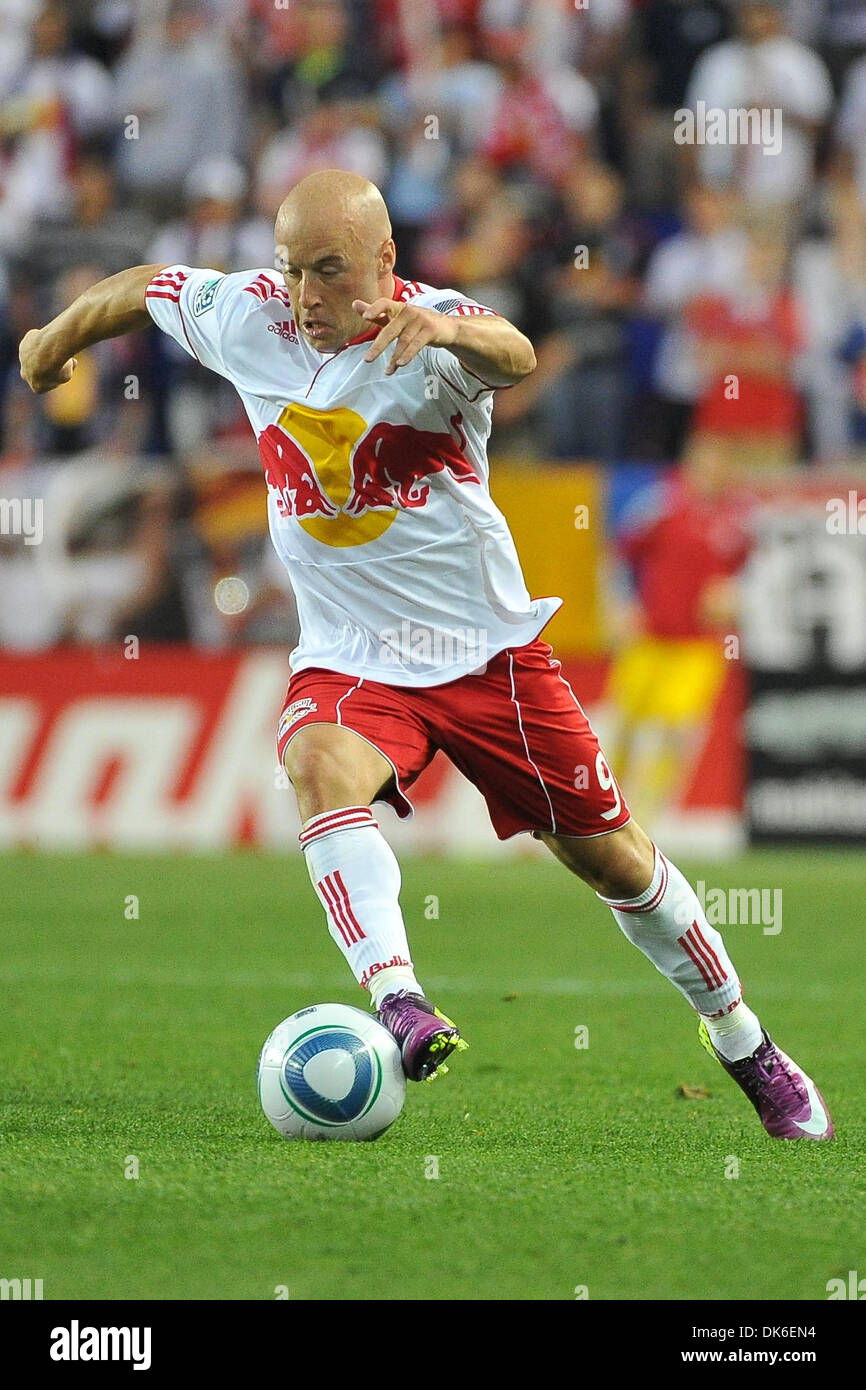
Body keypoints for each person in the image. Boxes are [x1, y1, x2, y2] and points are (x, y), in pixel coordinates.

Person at [19, 168, 832, 1141]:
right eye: (292, 270)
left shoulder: (433, 331)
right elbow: (149, 285)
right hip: (352, 658)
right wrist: (51, 337)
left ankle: (744, 1042)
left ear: (383, 261)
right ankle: (398, 1000)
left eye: (330, 271)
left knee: (616, 862)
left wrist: (449, 330)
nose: (308, 296)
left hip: (486, 659)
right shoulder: (252, 318)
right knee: (317, 762)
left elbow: (516, 350)